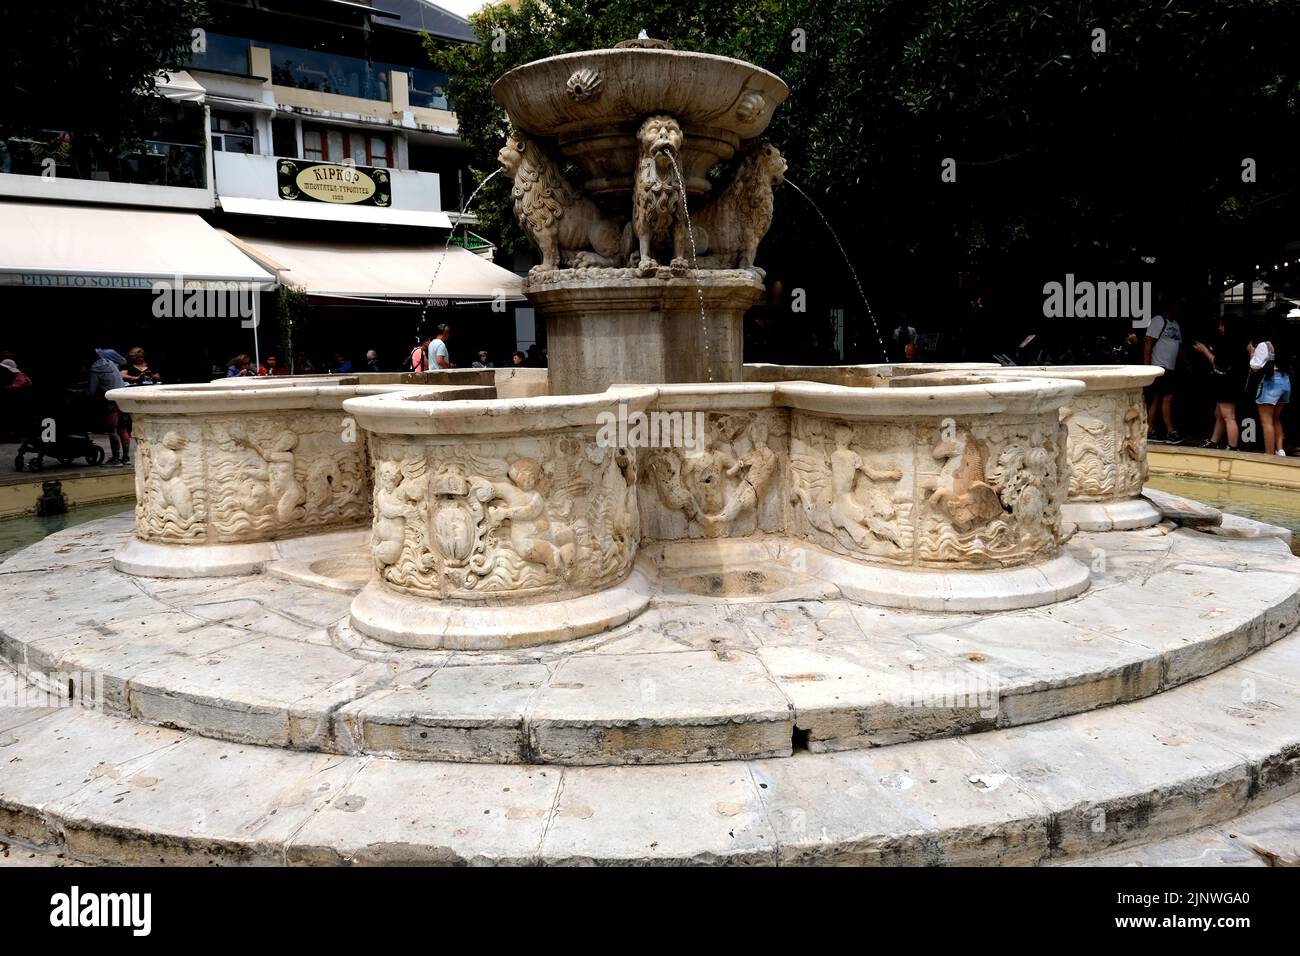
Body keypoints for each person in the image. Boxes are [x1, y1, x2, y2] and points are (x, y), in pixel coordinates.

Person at [1191, 317, 1244, 451]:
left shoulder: (1229, 342)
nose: (1219, 328)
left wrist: (1204, 350)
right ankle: (1213, 441)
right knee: (1219, 414)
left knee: (1229, 416)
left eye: (1222, 325)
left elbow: (1219, 363)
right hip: (1230, 382)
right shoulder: (1238, 342)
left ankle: (1232, 447)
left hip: (1227, 384)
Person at [1144, 300, 1185, 444]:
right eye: (1178, 307)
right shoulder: (1158, 320)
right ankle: (1170, 431)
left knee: (1158, 399)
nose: (1180, 311)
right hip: (1158, 366)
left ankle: (1150, 430)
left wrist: (1186, 363)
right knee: (1166, 398)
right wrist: (1147, 366)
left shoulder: (1175, 324)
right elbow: (1148, 342)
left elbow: (1178, 346)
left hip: (1170, 367)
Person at [1249, 321, 1291, 456]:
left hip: (1271, 382)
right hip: (1285, 381)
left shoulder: (1264, 344)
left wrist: (1251, 353)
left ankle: (1269, 454)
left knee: (1266, 420)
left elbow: (1255, 368)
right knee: (1276, 418)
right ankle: (1280, 450)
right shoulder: (1285, 342)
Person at [88, 347, 131, 466]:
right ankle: (126, 458)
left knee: (113, 430)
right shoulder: (112, 364)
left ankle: (116, 459)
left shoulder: (95, 368)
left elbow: (91, 391)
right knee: (123, 429)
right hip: (123, 398)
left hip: (111, 401)